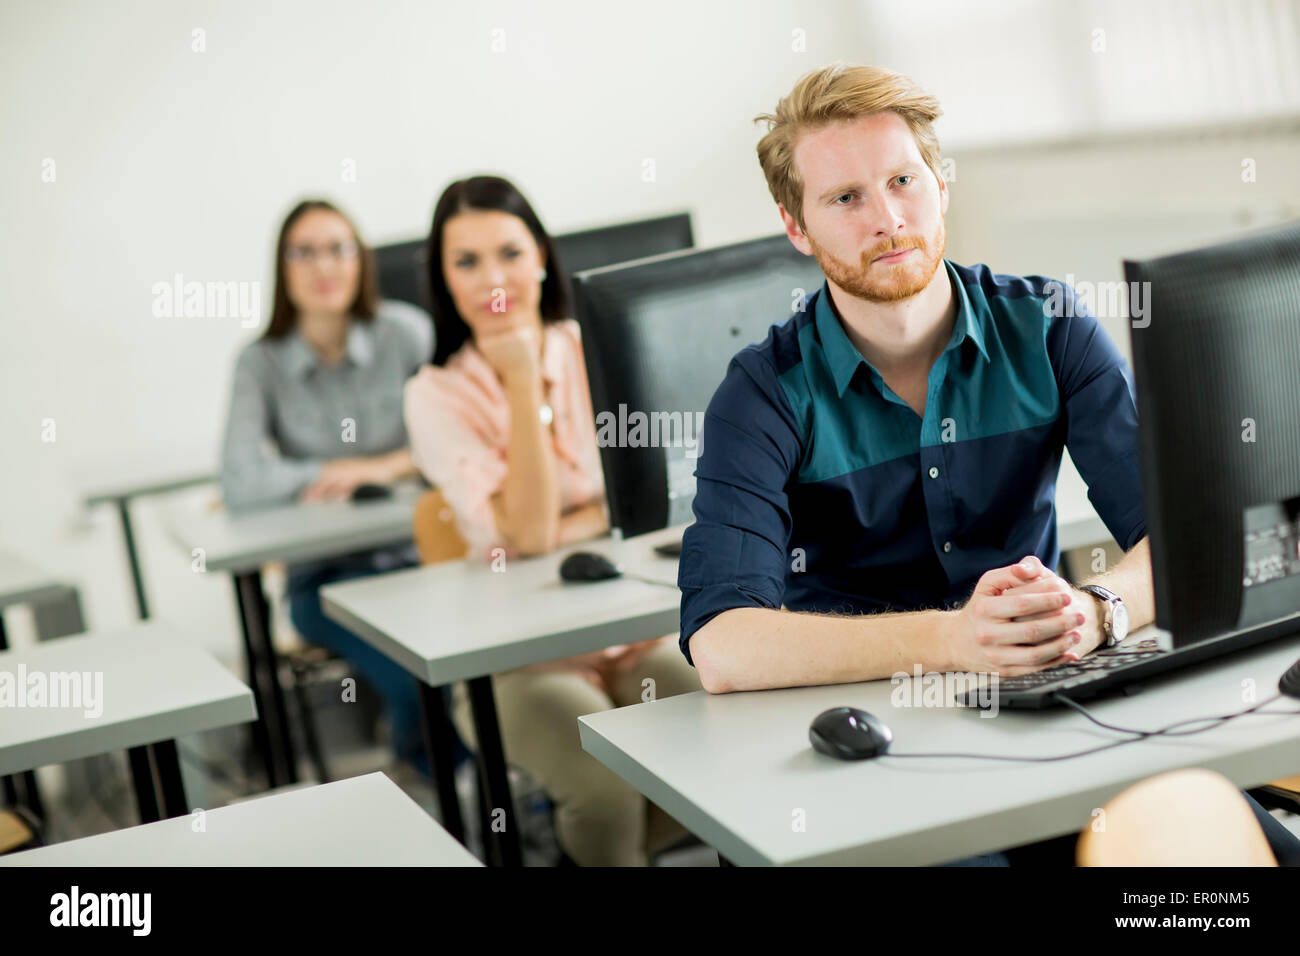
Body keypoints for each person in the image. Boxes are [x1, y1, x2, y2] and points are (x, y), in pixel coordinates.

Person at [677, 63, 1300, 867]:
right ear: (797, 227)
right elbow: (724, 646)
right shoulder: (762, 393)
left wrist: (1098, 609)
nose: (887, 218)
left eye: (903, 180)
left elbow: (1191, 541)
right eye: (845, 198)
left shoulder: (1048, 326)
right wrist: (953, 639)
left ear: (940, 183)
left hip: (1048, 712)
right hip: (872, 753)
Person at [403, 175, 701, 865]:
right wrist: (516, 377)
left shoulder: (597, 345)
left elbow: (650, 498)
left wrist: (583, 519)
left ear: (541, 256)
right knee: (606, 788)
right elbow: (533, 535)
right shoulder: (434, 394)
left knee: (725, 742)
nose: (493, 279)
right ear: (444, 281)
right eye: (466, 262)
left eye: (509, 252)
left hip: (633, 630)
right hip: (519, 660)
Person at [220, 198, 431, 774]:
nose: (323, 266)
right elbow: (239, 480)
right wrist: (324, 474)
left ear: (360, 259)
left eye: (338, 249)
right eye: (303, 253)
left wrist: (381, 467)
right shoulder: (259, 363)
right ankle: (454, 790)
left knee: (461, 671)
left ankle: (456, 790)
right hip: (324, 579)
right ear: (283, 270)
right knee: (420, 680)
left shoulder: (406, 333)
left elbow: (455, 439)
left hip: (421, 559)